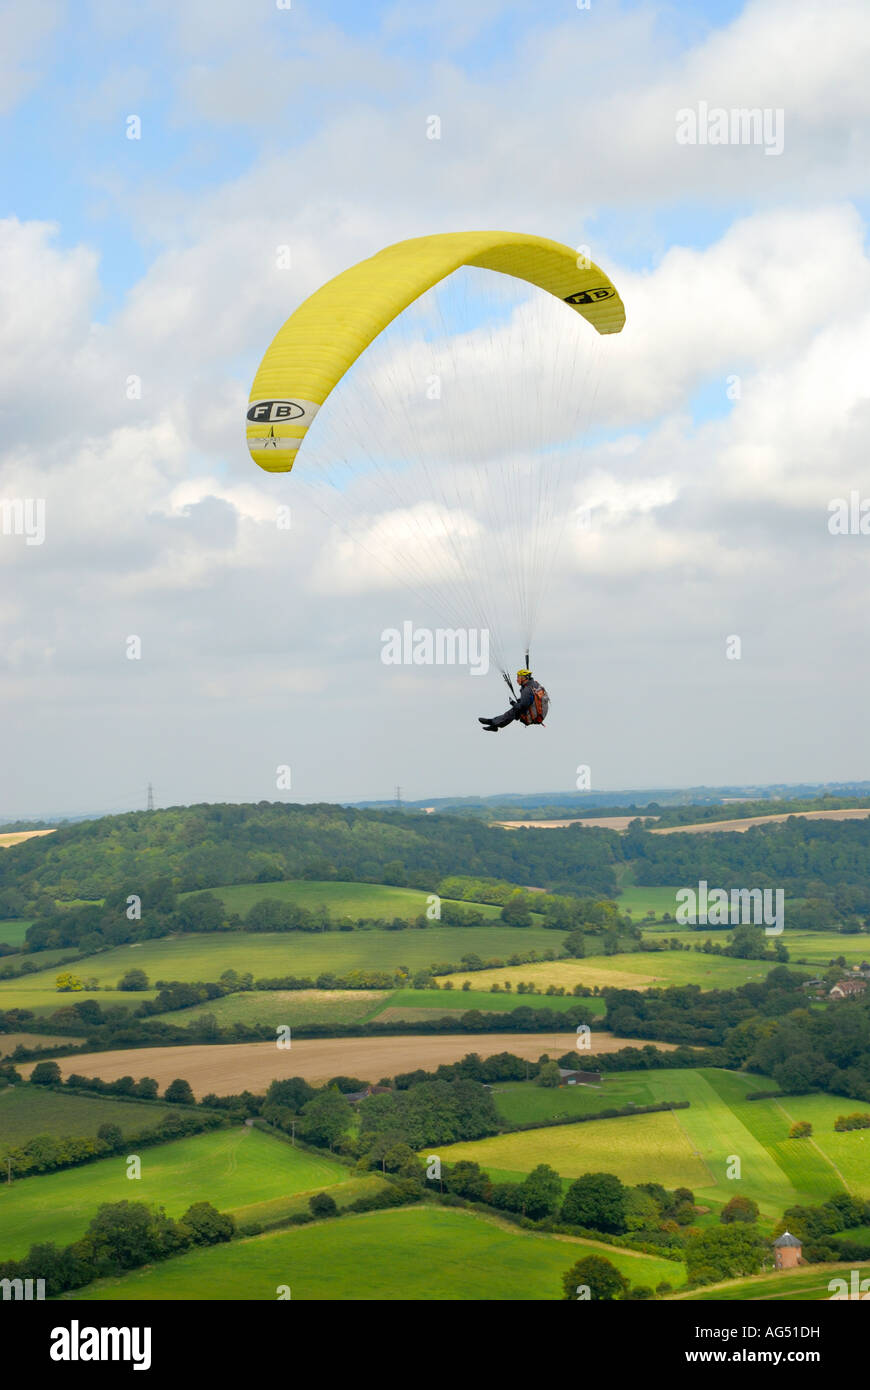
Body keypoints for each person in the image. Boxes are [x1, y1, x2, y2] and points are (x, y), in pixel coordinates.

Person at [479, 668, 548, 732]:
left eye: (518, 677)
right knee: (514, 710)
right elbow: (530, 699)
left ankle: (493, 723)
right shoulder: (535, 684)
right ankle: (494, 723)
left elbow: (522, 707)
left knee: (515, 710)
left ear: (524, 678)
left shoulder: (527, 690)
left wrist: (513, 703)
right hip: (538, 713)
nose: (517, 679)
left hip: (532, 716)